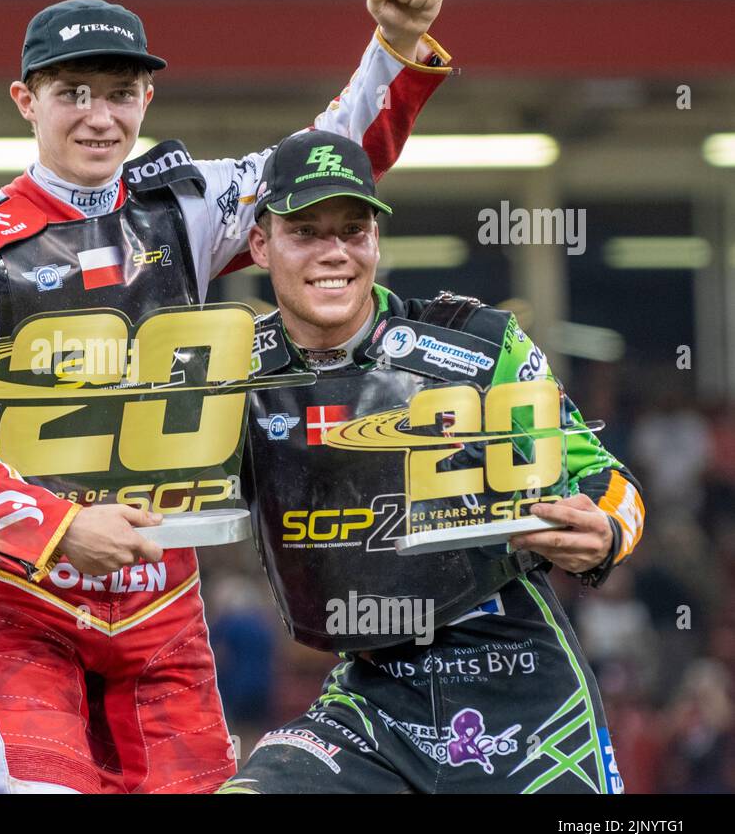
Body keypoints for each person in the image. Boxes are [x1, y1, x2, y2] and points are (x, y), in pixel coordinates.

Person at [0, 0, 454, 793]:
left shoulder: (185, 204)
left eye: (119, 91)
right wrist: (59, 527)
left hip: (163, 596)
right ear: (25, 100)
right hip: (22, 601)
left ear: (145, 101)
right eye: (72, 92)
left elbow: (321, 168)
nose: (99, 115)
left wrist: (393, 46)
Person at [217, 130, 646, 793]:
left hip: (524, 694)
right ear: (260, 245)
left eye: (353, 230)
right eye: (306, 230)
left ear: (376, 241)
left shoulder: (477, 349)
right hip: (372, 698)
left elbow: (604, 476)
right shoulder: (228, 374)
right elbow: (151, 505)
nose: (335, 252)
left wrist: (607, 530)